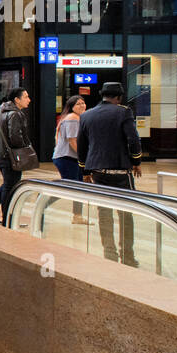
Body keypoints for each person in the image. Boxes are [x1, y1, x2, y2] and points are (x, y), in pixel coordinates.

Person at [78, 82, 143, 267]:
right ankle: (127, 256)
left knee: (104, 213)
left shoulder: (87, 115)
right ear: (119, 97)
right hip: (121, 170)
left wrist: (85, 170)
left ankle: (109, 254)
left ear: (102, 95)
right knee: (125, 214)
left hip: (98, 171)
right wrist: (136, 161)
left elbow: (83, 146)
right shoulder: (124, 112)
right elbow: (133, 140)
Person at [0, 86, 33, 225]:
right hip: (11, 157)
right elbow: (15, 137)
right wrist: (25, 147)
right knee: (10, 186)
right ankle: (7, 218)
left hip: (2, 155)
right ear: (17, 99)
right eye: (25, 97)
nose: (29, 100)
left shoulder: (3, 110)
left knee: (8, 184)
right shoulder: (15, 114)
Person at [53, 96, 89, 225]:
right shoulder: (72, 119)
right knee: (68, 186)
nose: (82, 105)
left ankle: (77, 216)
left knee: (78, 186)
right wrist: (83, 157)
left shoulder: (77, 118)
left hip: (71, 158)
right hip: (67, 158)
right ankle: (45, 199)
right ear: (71, 106)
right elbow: (72, 141)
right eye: (78, 104)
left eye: (83, 103)